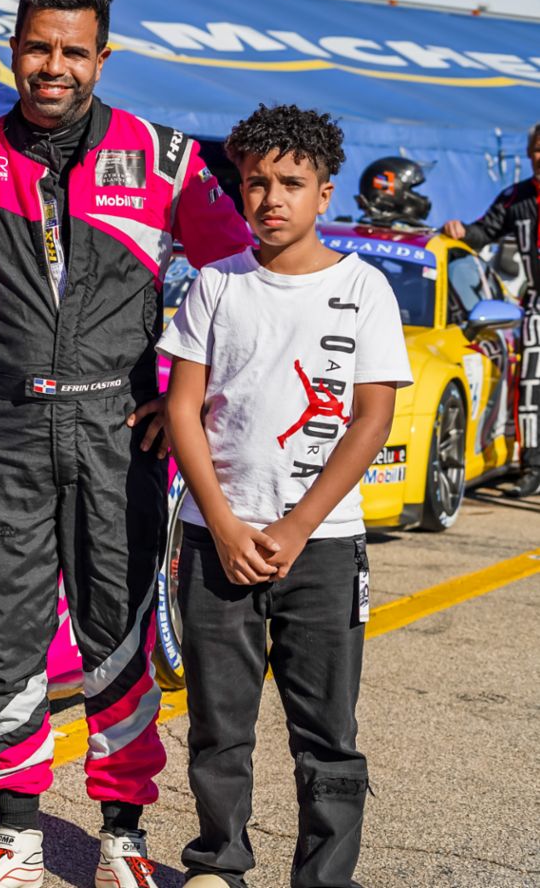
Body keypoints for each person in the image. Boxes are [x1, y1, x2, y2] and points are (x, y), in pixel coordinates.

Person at [0, 0, 252, 888]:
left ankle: (122, 830)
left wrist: (184, 395)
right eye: (38, 47)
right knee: (4, 634)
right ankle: (19, 833)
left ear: (102, 56)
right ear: (13, 49)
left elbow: (238, 277)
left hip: (115, 425)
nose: (53, 67)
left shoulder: (162, 157)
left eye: (73, 51)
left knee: (116, 635)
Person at [160, 104, 411, 888]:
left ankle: (324, 875)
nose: (270, 199)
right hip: (215, 542)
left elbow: (372, 416)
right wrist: (227, 527)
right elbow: (181, 409)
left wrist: (299, 526)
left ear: (325, 192)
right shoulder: (215, 285)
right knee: (217, 726)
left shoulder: (364, 288)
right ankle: (218, 863)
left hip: (325, 548)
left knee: (327, 732)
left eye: (290, 184)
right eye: (255, 183)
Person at [440, 121, 540, 497]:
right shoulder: (515, 197)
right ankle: (532, 467)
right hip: (536, 305)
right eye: (537, 149)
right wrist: (461, 231)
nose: (539, 157)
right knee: (531, 386)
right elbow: (485, 232)